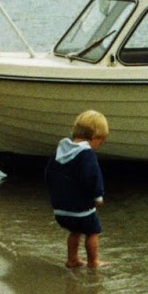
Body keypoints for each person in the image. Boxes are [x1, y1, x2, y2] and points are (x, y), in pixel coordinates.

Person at [45, 109, 109, 271]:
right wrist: (98, 197)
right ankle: (93, 262)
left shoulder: (60, 151)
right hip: (81, 210)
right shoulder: (86, 154)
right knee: (92, 232)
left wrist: (55, 195)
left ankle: (72, 259)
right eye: (100, 142)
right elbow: (93, 177)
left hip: (61, 210)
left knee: (74, 231)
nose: (97, 147)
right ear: (94, 137)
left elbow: (49, 174)